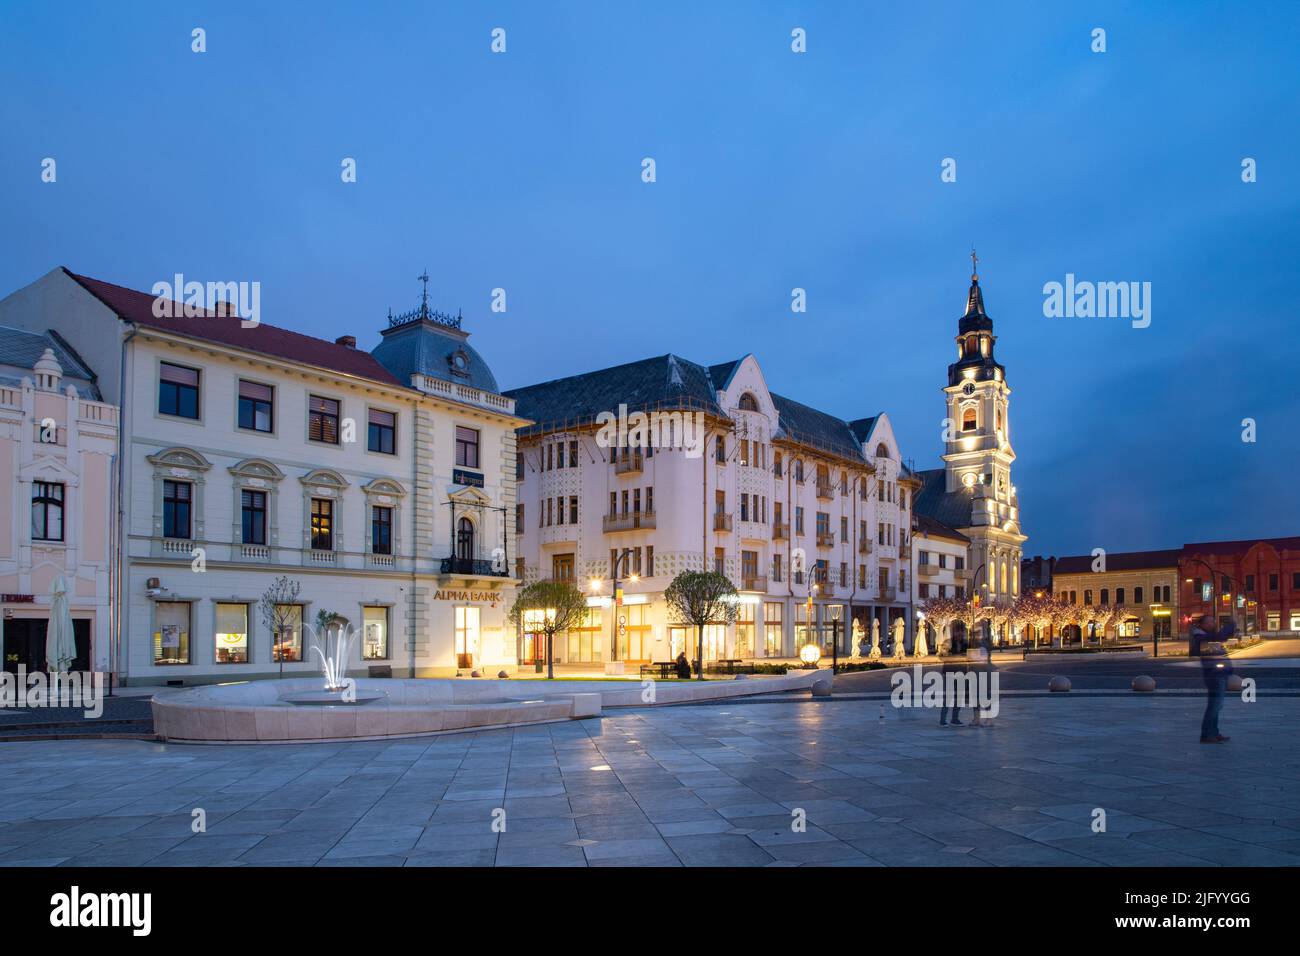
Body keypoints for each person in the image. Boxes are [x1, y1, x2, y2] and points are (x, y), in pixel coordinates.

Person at [1191, 613, 1234, 743]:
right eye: (1209, 622)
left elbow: (1221, 639)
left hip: (1219, 674)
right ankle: (1207, 735)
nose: (1213, 624)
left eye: (1213, 622)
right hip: (1214, 675)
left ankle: (1214, 732)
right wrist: (1231, 624)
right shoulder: (1200, 636)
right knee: (1214, 706)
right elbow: (1220, 636)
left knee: (1217, 706)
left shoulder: (1207, 636)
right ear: (1202, 624)